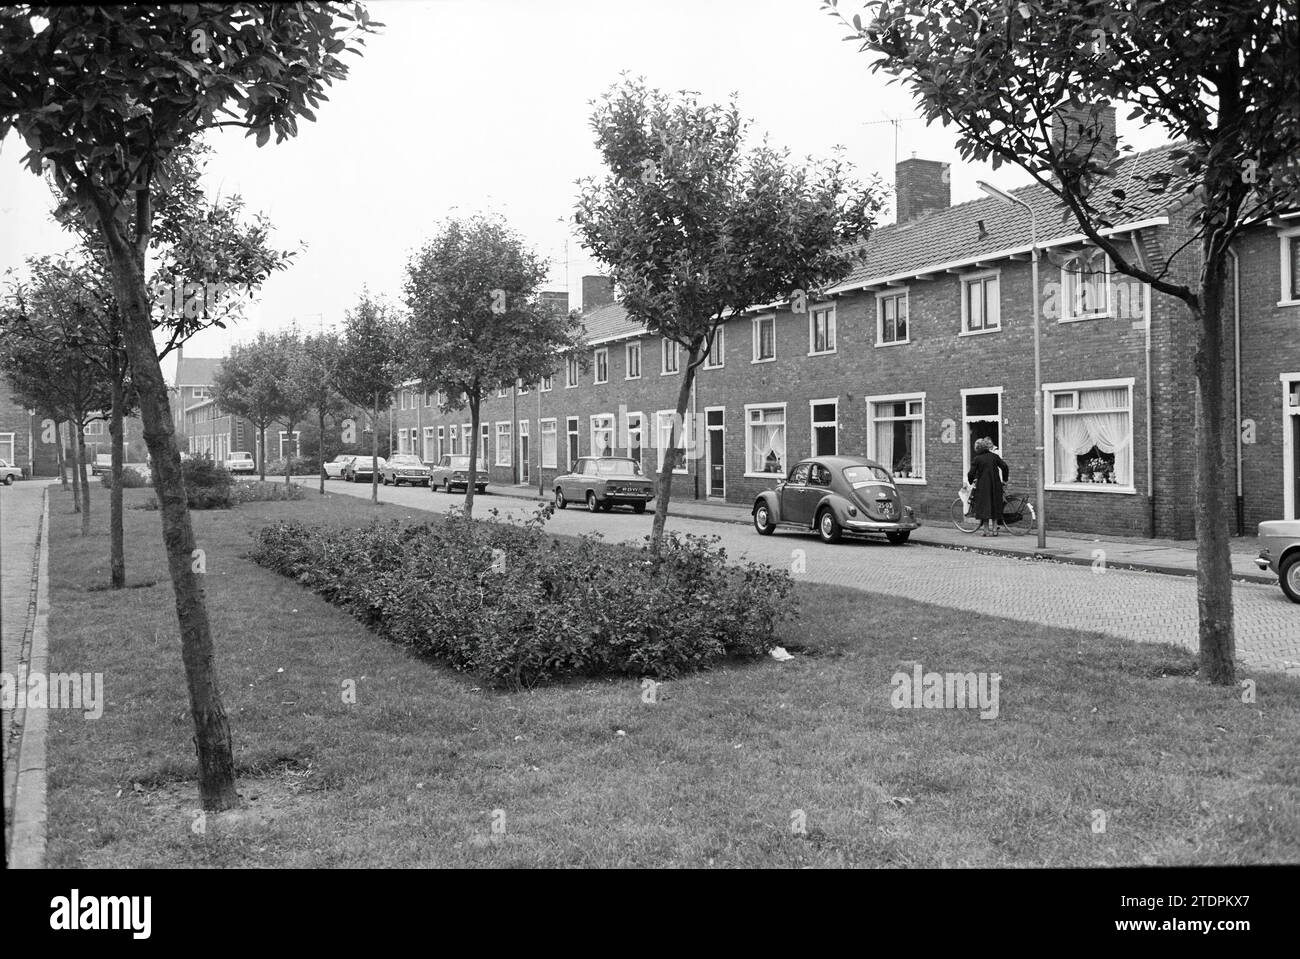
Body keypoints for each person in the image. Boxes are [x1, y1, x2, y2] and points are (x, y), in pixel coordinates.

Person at [967, 437, 1009, 537]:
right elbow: (1004, 467)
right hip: (996, 484)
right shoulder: (994, 456)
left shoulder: (977, 459)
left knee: (984, 507)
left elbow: (971, 473)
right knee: (995, 505)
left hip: (983, 486)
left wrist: (971, 481)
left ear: (977, 448)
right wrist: (1005, 480)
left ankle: (986, 531)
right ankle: (995, 530)